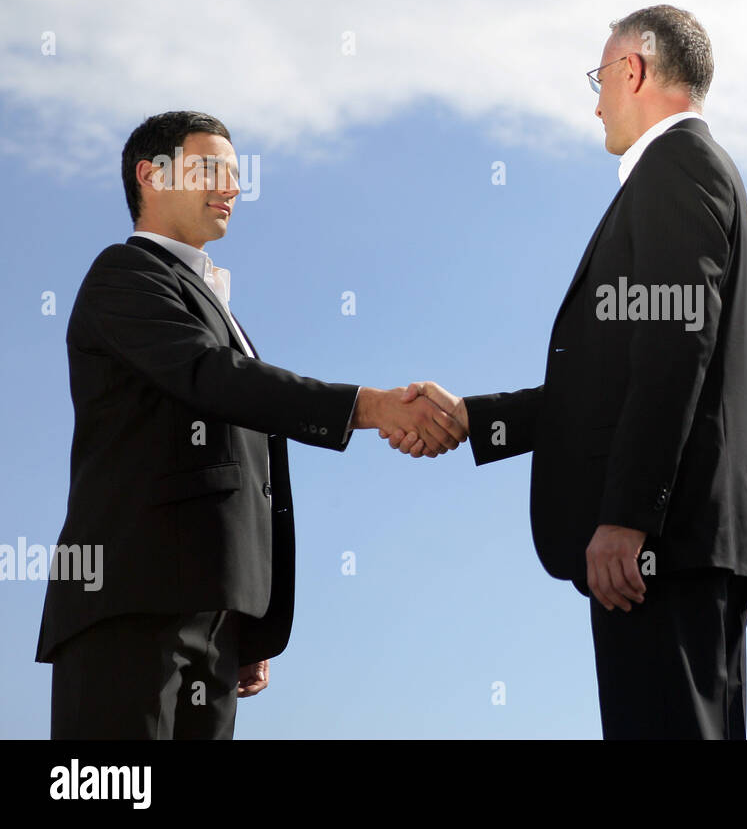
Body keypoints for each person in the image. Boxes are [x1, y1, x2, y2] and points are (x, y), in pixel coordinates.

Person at [389, 5, 747, 739]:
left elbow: (674, 352)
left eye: (599, 78)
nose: (595, 100)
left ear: (632, 69)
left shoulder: (676, 168)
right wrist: (474, 417)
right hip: (687, 540)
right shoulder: (687, 172)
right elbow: (614, 381)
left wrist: (629, 515)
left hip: (662, 543)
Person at [36, 110, 466, 739]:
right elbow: (212, 377)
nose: (233, 188)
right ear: (150, 176)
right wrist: (368, 407)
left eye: (238, 175)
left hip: (215, 624)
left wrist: (239, 612)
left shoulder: (214, 303)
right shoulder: (123, 275)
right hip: (129, 606)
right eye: (212, 169)